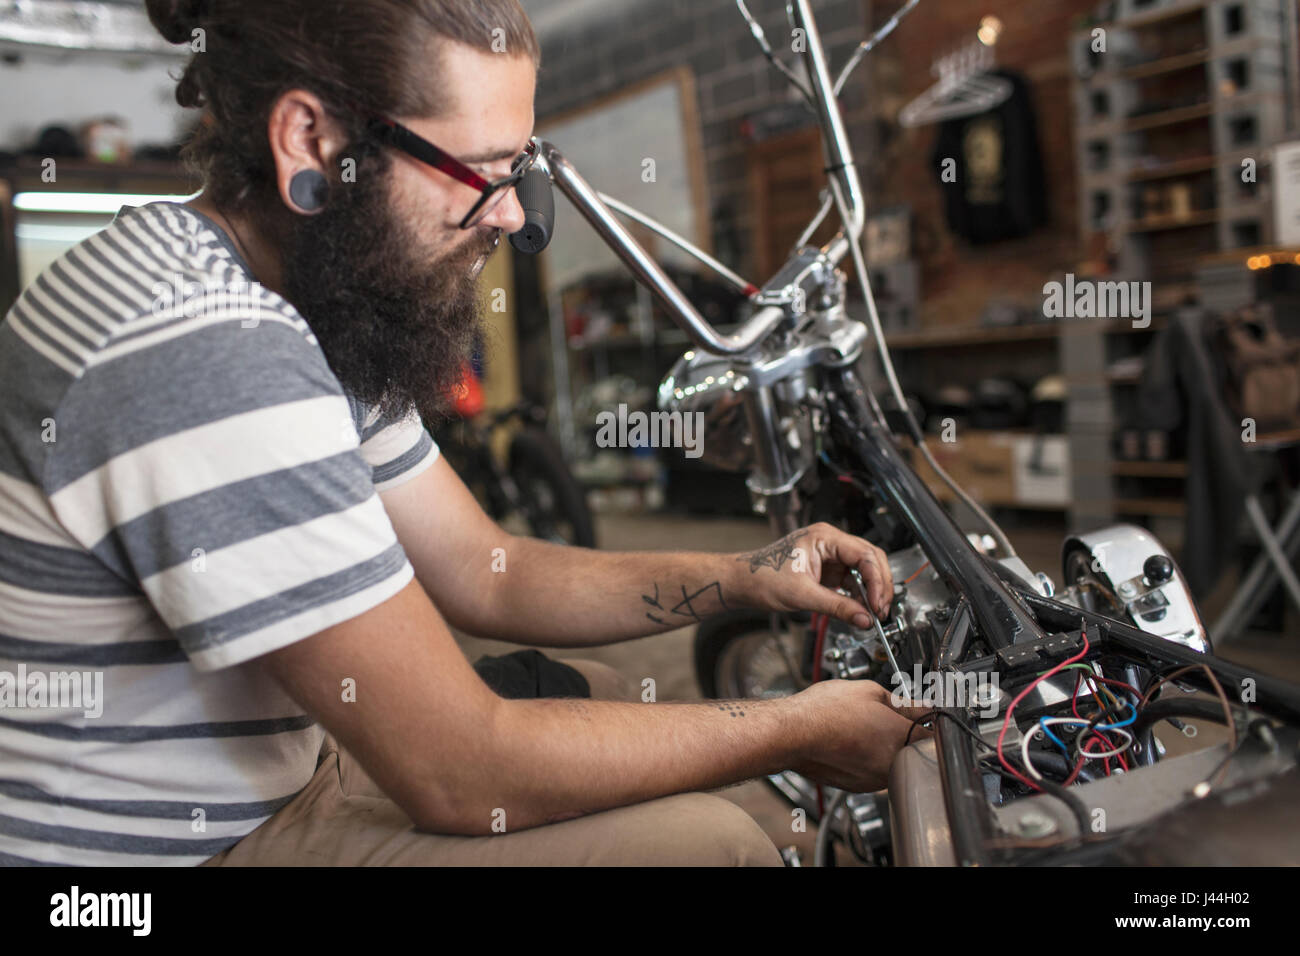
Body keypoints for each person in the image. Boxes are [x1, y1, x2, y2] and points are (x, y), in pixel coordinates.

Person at [0, 0, 925, 867]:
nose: (515, 215)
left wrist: (747, 573)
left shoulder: (305, 292)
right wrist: (796, 727)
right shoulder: (207, 351)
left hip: (277, 769)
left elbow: (491, 569)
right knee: (710, 845)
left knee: (596, 697)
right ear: (311, 140)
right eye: (484, 174)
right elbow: (462, 772)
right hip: (154, 859)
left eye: (521, 170)